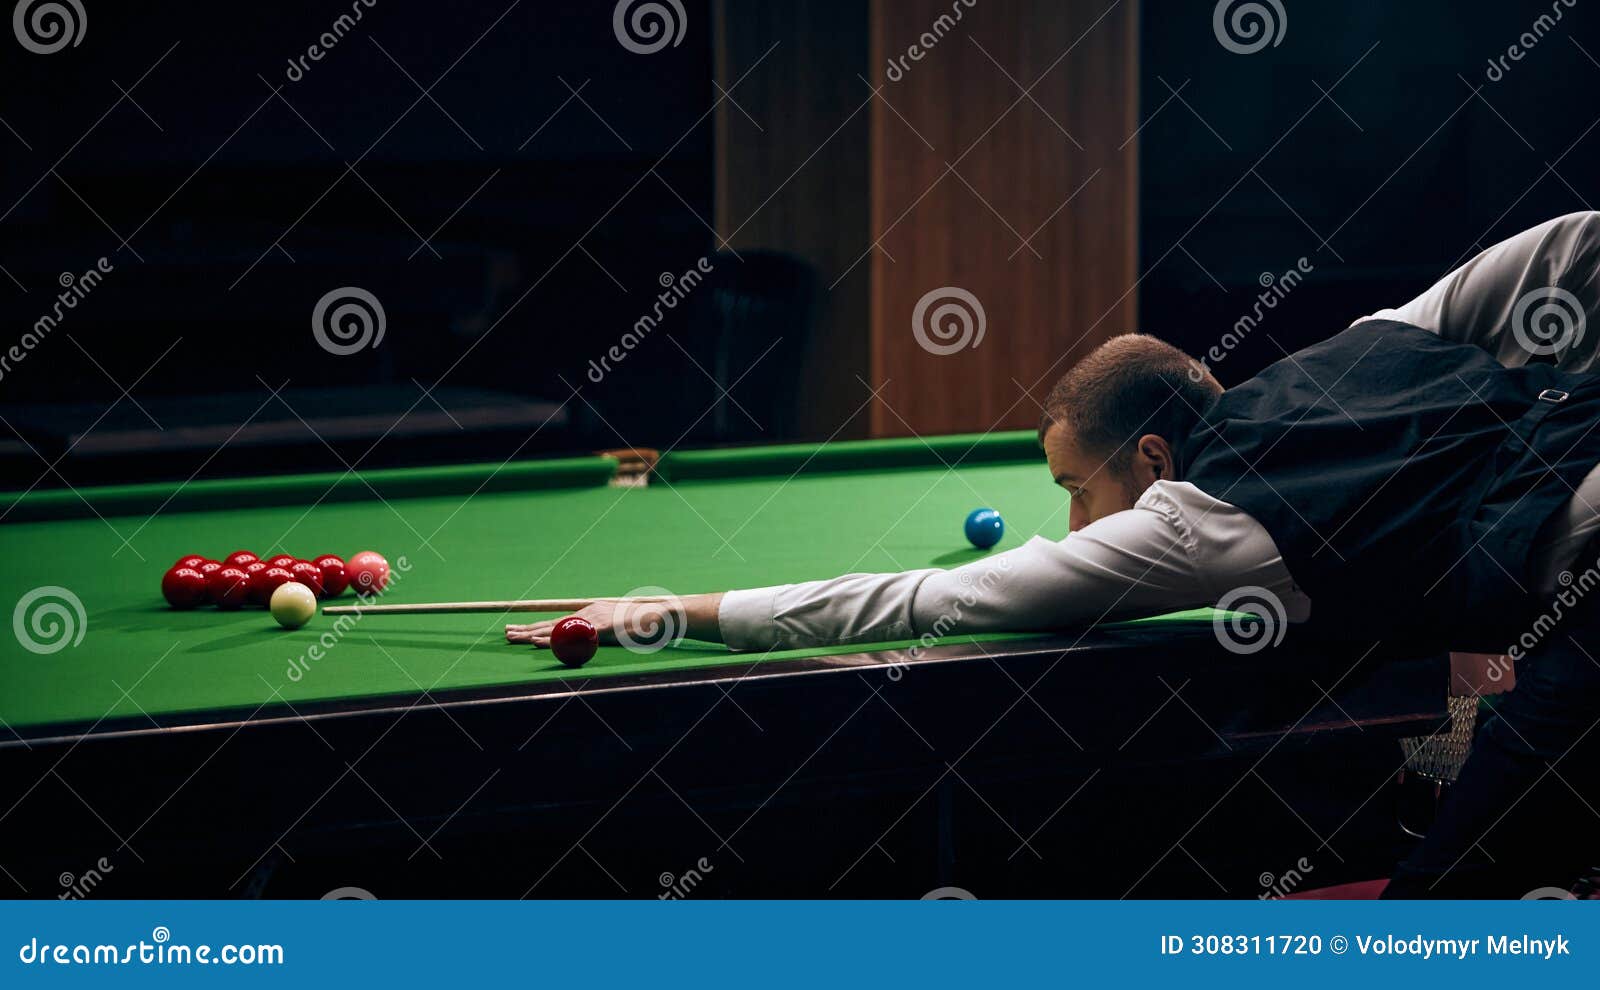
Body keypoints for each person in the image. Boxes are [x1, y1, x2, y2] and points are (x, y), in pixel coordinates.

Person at [509, 212, 1600, 897]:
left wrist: (662, 610)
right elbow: (1570, 244)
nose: (1080, 526)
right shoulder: (1377, 340)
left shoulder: (1199, 519)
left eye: (1078, 489)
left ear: (1155, 453)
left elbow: (923, 598)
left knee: (1452, 895)